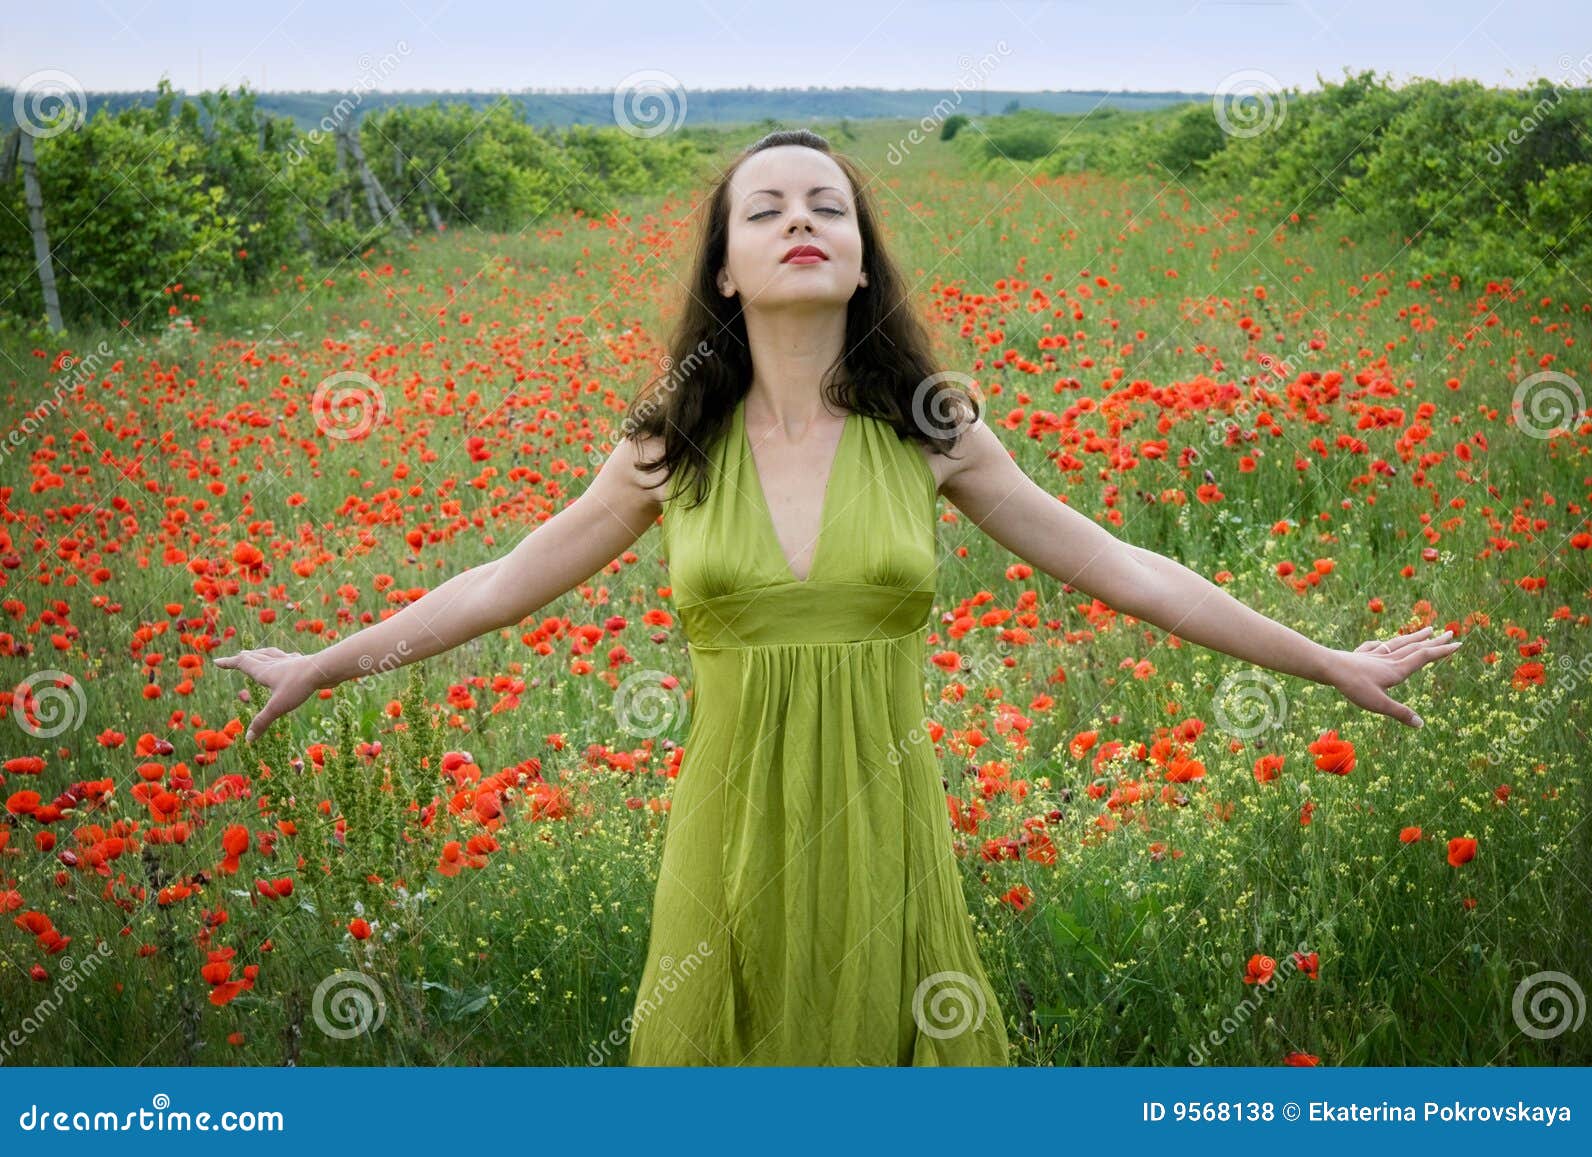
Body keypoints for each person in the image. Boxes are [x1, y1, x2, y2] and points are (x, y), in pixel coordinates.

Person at [213, 129, 1464, 1066]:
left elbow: (1126, 568)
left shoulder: (931, 428)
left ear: (862, 262)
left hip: (884, 821)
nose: (801, 219)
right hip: (730, 829)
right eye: (766, 209)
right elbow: (498, 583)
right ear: (727, 269)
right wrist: (325, 660)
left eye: (829, 205)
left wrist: (1326, 659)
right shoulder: (667, 447)